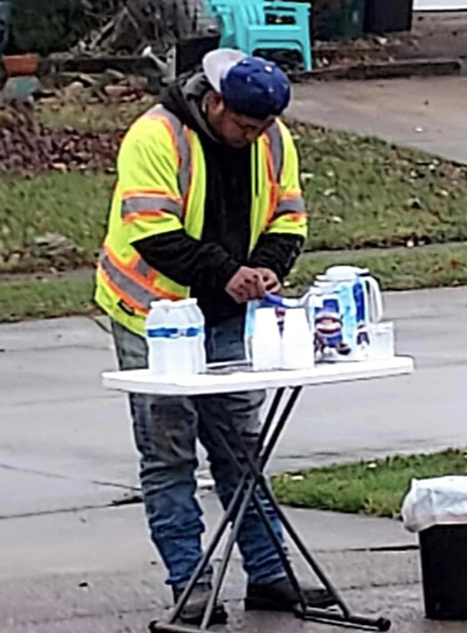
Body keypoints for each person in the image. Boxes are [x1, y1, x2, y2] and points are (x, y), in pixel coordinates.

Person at [95, 49, 331, 623]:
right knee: (169, 454)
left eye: (262, 128)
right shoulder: (155, 136)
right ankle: (190, 582)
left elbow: (289, 216)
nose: (252, 138)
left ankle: (271, 574)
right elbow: (153, 234)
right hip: (153, 314)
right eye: (244, 126)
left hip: (226, 313)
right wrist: (228, 273)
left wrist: (272, 265)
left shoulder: (273, 139)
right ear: (215, 102)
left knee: (240, 450)